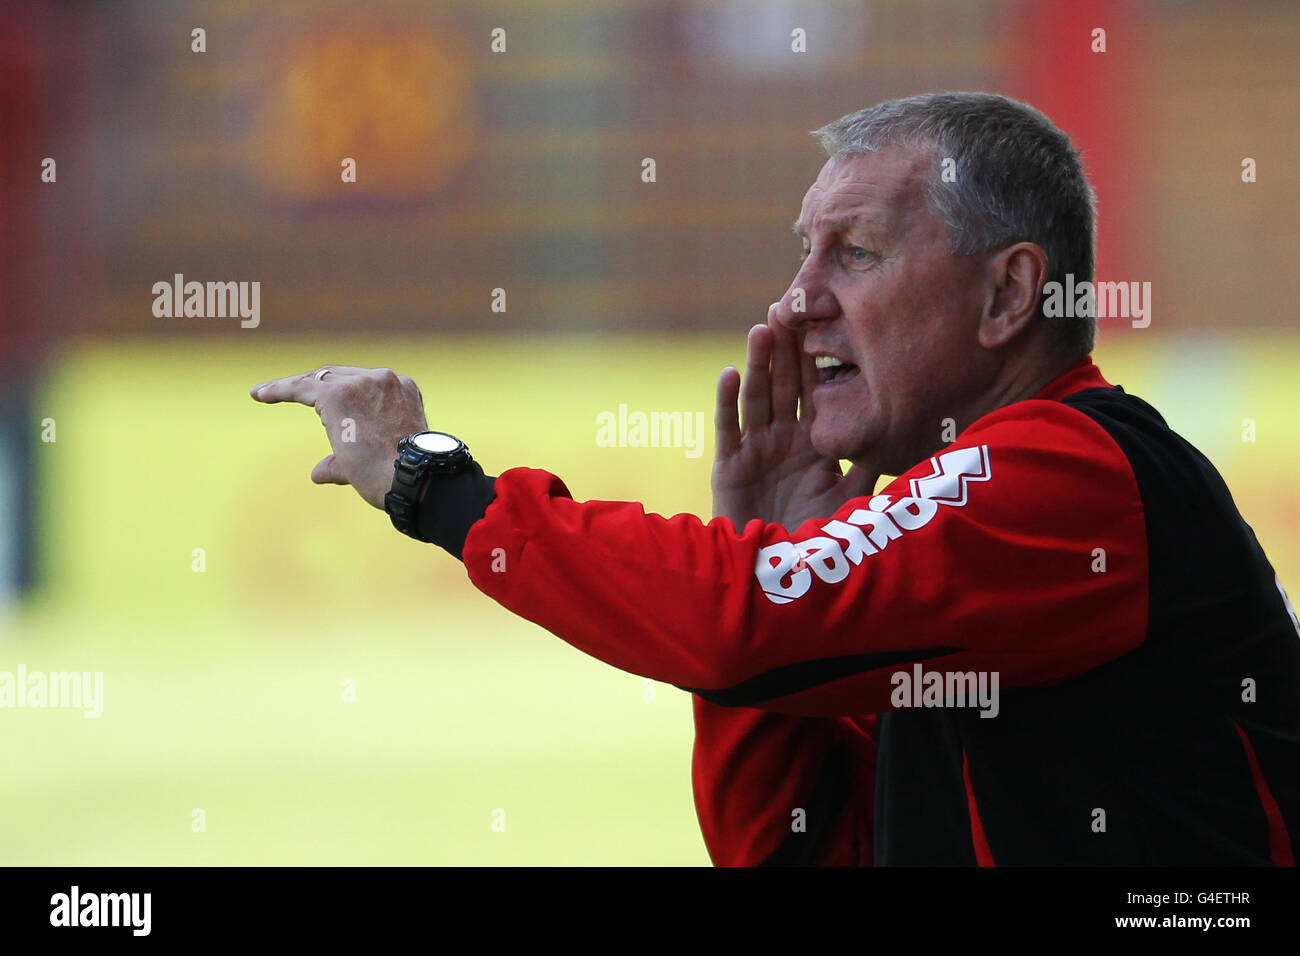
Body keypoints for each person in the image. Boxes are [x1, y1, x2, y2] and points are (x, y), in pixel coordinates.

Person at [251, 92, 1300, 866]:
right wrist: (781, 573)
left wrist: (438, 485)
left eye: (854, 254)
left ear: (1008, 292)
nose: (796, 300)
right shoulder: (956, 536)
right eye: (803, 253)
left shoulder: (1075, 470)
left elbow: (735, 618)